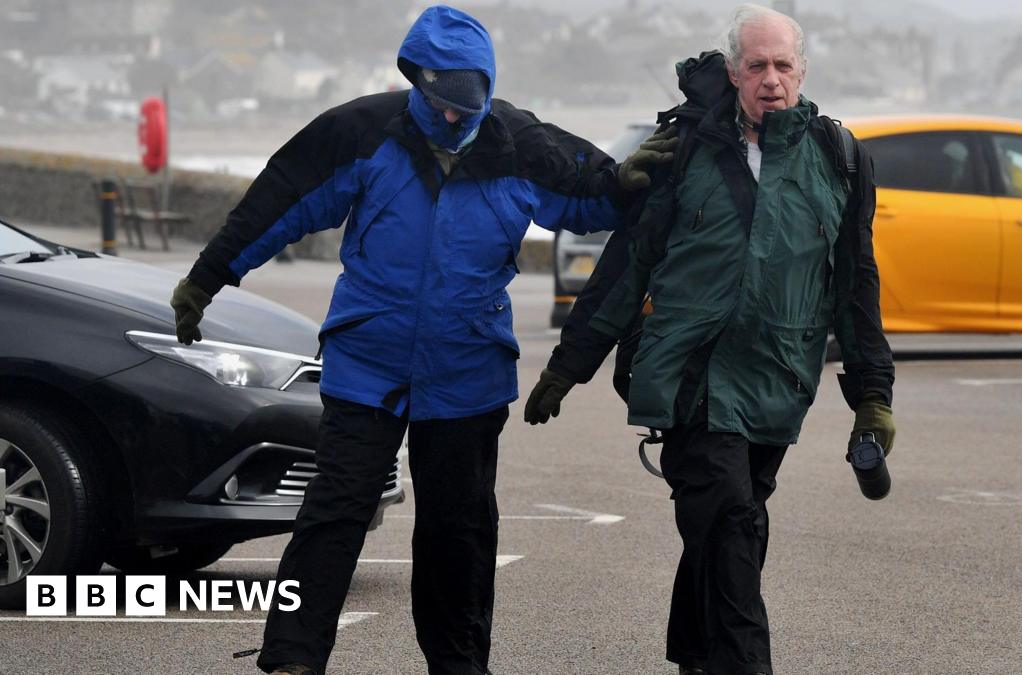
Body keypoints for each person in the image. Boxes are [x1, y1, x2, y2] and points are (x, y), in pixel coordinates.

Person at [168, 6, 662, 674]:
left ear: (488, 89)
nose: (455, 119)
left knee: (458, 533)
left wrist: (635, 178)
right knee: (332, 514)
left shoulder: (523, 144)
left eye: (469, 107)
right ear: (416, 81)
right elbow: (277, 204)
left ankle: (459, 665)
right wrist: (206, 279)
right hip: (367, 362)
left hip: (468, 372)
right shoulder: (362, 132)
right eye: (442, 105)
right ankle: (292, 658)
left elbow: (599, 197)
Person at [524, 5, 897, 675]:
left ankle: (695, 653)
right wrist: (570, 364)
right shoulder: (688, 150)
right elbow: (627, 262)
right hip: (689, 376)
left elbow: (856, 284)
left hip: (778, 380)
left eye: (783, 65)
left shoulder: (838, 159)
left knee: (736, 521)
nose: (771, 80)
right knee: (729, 519)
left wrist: (873, 395)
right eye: (756, 66)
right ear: (733, 72)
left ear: (803, 70)